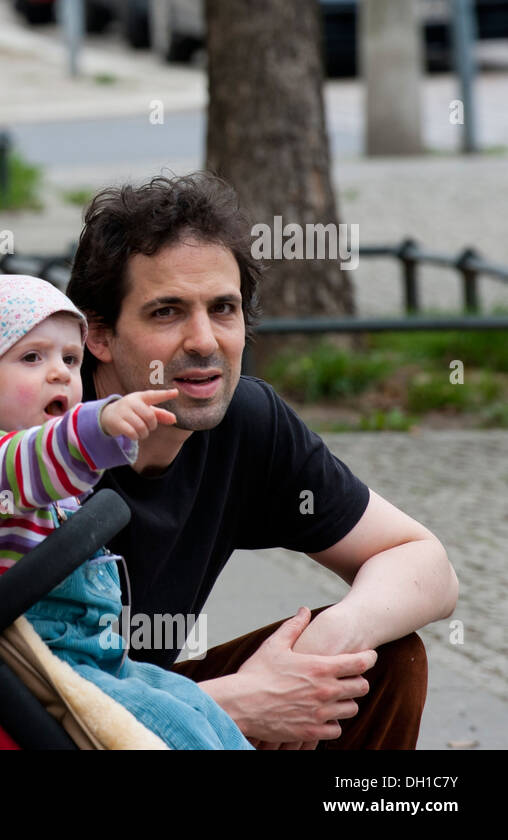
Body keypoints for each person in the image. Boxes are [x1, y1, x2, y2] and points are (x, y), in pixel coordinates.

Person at [63, 172, 458, 749]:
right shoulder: (40, 445)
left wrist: (329, 641)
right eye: (167, 312)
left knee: (378, 659)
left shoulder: (245, 420)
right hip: (54, 723)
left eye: (223, 309)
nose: (204, 341)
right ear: (98, 335)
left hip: (153, 705)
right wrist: (232, 705)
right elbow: (23, 685)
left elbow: (426, 565)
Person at [0, 274, 253, 749]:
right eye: (32, 358)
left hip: (96, 654)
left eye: (71, 359)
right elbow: (40, 459)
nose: (61, 374)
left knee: (197, 707)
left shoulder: (23, 459)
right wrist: (98, 424)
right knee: (177, 730)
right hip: (35, 661)